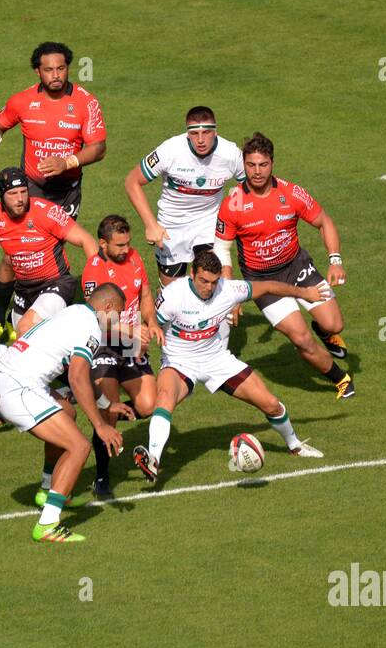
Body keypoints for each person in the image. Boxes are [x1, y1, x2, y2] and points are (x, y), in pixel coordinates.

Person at [132, 251, 327, 485]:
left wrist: (304, 293)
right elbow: (150, 323)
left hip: (217, 360)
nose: (208, 287)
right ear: (192, 274)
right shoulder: (174, 295)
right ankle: (153, 460)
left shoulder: (228, 289)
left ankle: (295, 446)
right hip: (179, 362)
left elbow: (266, 286)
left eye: (213, 282)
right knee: (164, 398)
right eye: (203, 281)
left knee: (271, 404)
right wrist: (143, 342)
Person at [0, 41, 108, 343]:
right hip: (29, 190)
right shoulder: (22, 101)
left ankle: (52, 312)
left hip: (65, 193)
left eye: (61, 68)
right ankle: (0, 321)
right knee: (13, 256)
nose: (56, 75)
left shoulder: (86, 102)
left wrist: (67, 161)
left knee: (51, 252)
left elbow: (98, 148)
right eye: (49, 70)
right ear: (38, 71)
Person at [214, 132, 355, 400]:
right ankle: (340, 379)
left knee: (334, 325)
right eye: (251, 165)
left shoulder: (291, 193)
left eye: (263, 164)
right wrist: (232, 294)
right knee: (300, 338)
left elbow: (324, 220)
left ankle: (325, 333)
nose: (257, 172)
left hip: (297, 267)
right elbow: (222, 249)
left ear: (272, 163)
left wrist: (335, 260)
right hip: (262, 281)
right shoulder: (232, 204)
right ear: (243, 164)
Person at [0, 287, 131, 543]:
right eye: (118, 313)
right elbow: (77, 378)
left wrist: (106, 405)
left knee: (67, 412)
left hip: (4, 378)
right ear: (108, 307)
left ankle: (47, 489)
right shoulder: (92, 329)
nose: (118, 320)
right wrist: (99, 424)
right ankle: (48, 524)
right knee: (79, 446)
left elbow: (83, 376)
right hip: (18, 388)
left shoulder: (75, 311)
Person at [0, 167, 99, 337]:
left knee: (26, 330)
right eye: (13, 194)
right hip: (24, 289)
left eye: (23, 192)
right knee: (25, 340)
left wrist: (95, 282)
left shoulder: (47, 212)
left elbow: (87, 240)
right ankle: (11, 320)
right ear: (1, 195)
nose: (20, 199)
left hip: (56, 284)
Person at [79, 214, 160, 497]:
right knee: (108, 414)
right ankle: (101, 478)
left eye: (128, 243)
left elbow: (146, 294)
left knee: (149, 405)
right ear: (103, 244)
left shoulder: (135, 258)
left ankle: (98, 407)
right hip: (103, 344)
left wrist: (151, 322)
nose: (126, 250)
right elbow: (95, 319)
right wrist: (129, 330)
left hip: (129, 345)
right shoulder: (93, 271)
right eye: (119, 246)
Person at [122, 106, 246, 287]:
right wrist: (151, 224)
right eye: (194, 133)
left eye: (206, 132)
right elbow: (132, 182)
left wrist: (239, 208)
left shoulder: (231, 154)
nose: (201, 140)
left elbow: (250, 185)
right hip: (172, 226)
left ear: (215, 131)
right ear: (187, 133)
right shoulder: (169, 151)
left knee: (214, 285)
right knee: (171, 292)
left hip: (208, 224)